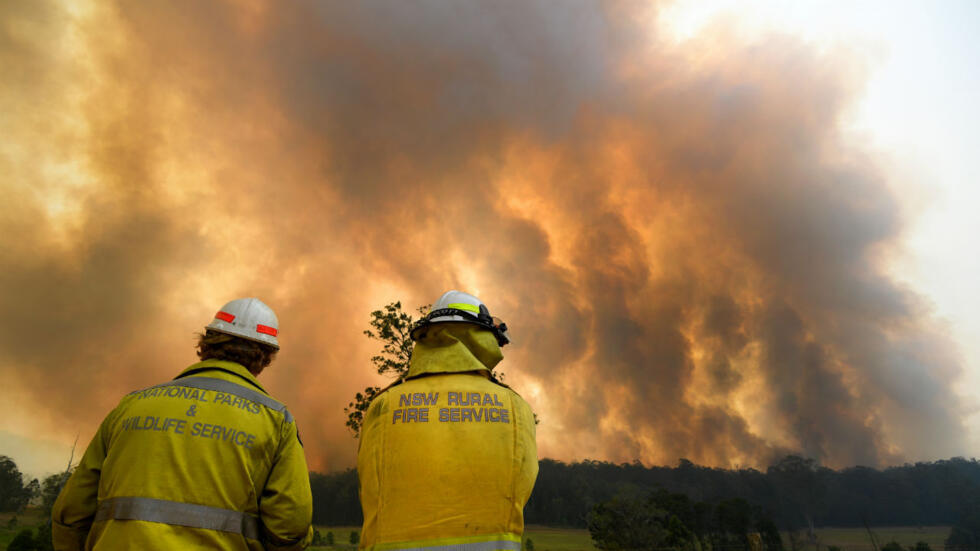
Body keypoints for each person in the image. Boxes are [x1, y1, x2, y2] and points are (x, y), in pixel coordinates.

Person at [51, 298, 313, 551]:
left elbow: (72, 513)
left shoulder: (131, 406)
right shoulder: (276, 420)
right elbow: (290, 526)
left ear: (207, 343)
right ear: (266, 357)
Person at [357, 290, 538, 551]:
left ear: (428, 337)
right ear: (483, 337)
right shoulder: (515, 408)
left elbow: (370, 491)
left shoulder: (384, 405)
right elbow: (521, 489)